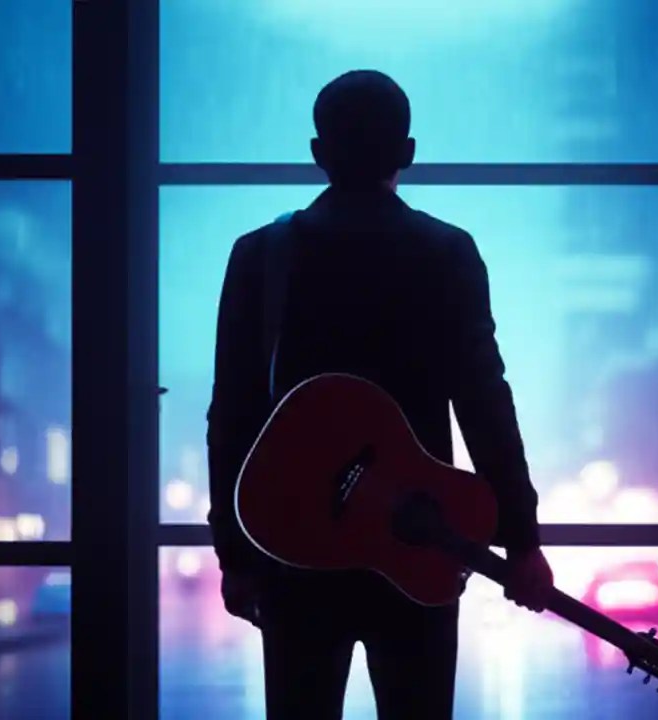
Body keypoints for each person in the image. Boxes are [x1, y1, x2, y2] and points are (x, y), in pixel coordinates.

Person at [207, 69, 552, 720]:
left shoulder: (260, 257)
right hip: (418, 542)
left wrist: (236, 551)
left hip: (297, 550)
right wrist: (521, 538)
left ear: (318, 152)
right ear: (409, 152)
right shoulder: (446, 253)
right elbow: (484, 404)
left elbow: (233, 416)